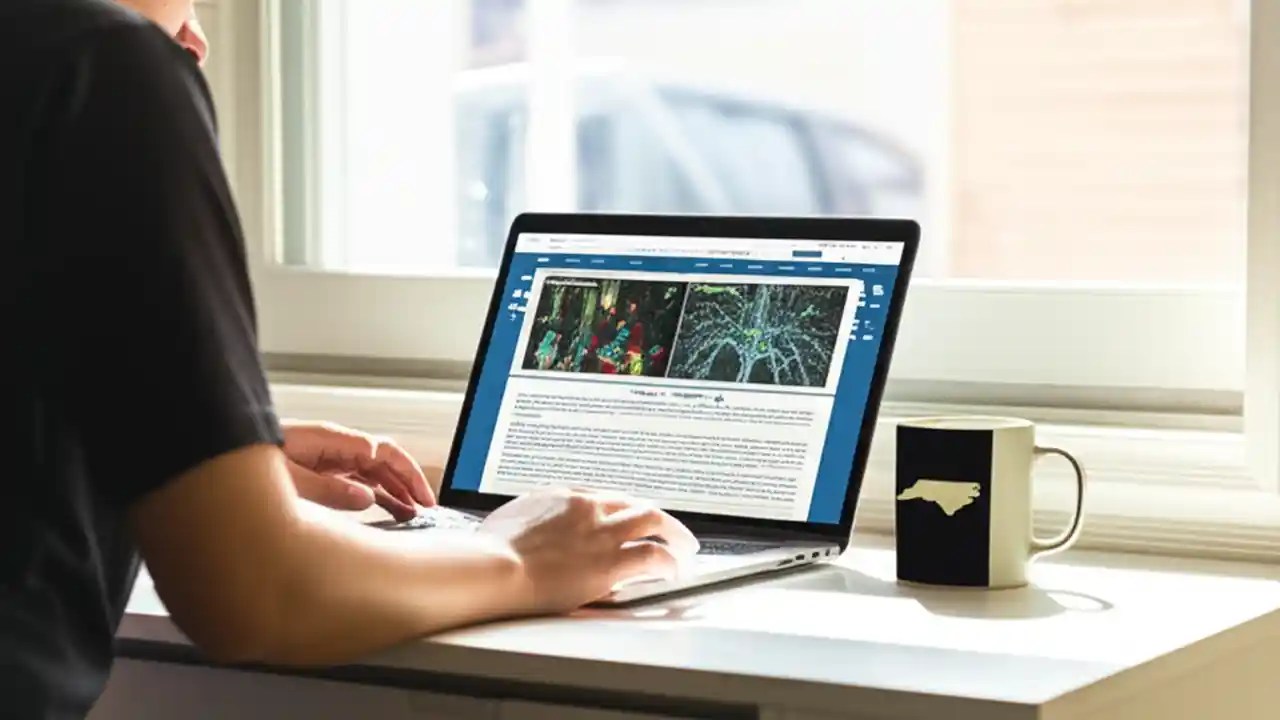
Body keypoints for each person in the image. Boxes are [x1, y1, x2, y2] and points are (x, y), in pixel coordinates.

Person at [0, 0, 697, 717]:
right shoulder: (101, 67)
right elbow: (256, 594)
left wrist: (202, 459)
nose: (198, 38)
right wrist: (523, 561)